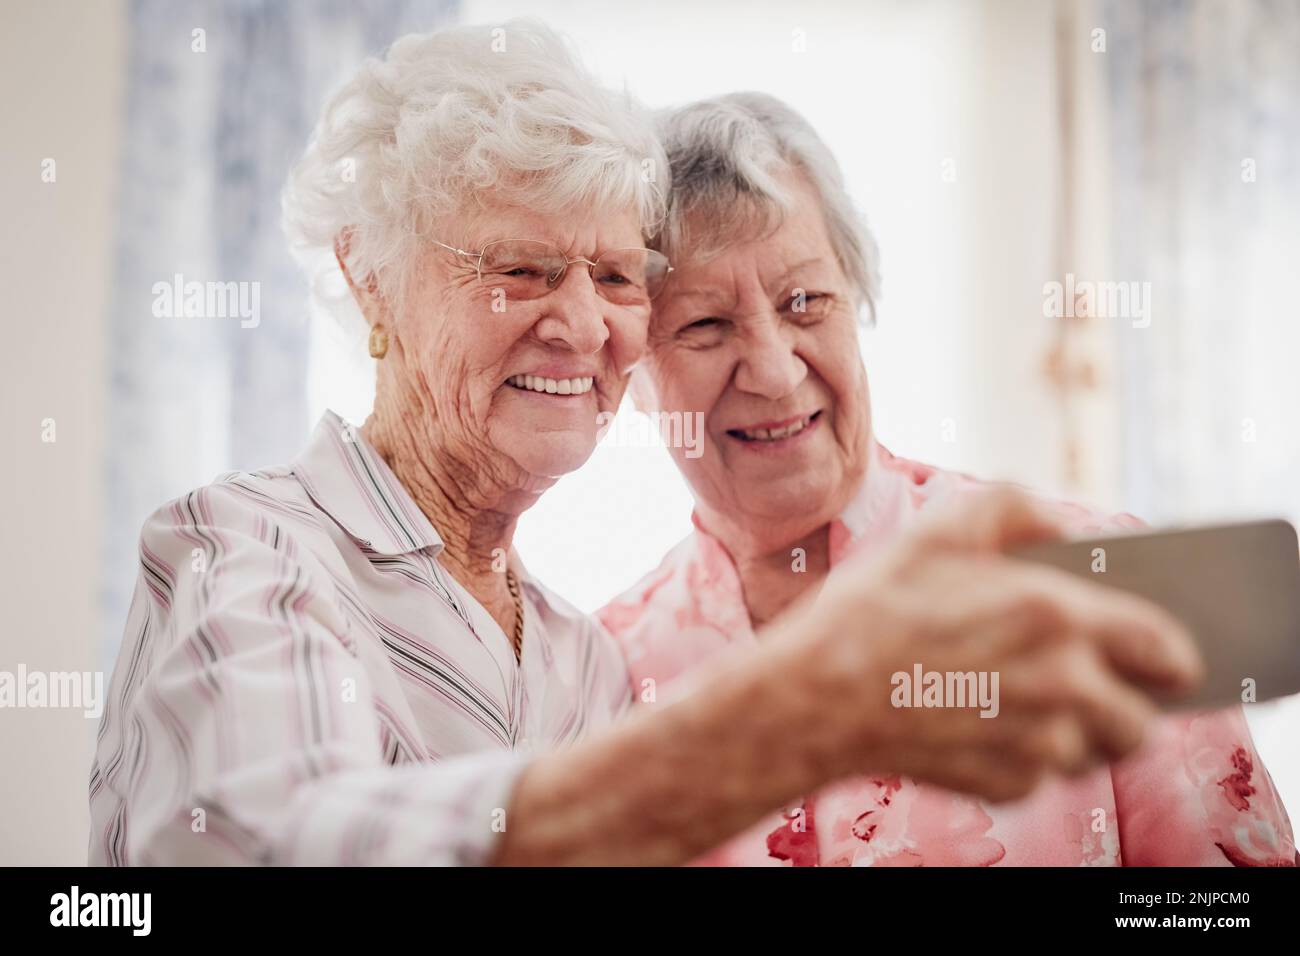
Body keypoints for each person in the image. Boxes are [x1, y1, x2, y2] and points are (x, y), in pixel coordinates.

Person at [90, 23, 1204, 867]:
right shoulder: (246, 546)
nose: (579, 323)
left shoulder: (578, 656)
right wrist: (780, 724)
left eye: (616, 275)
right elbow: (252, 839)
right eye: (519, 268)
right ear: (369, 273)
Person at [599, 91, 1296, 866]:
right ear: (631, 368)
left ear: (855, 302)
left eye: (805, 302)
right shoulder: (605, 673)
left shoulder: (1096, 578)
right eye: (704, 325)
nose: (771, 369)